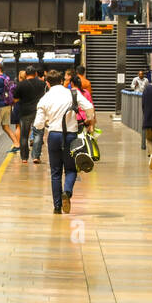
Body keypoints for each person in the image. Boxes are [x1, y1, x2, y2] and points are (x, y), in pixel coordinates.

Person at [34, 70, 94, 214]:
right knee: (71, 169)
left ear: (47, 83)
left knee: (55, 172)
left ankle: (57, 206)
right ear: (62, 81)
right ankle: (67, 191)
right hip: (70, 136)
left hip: (53, 135)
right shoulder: (72, 93)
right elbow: (89, 107)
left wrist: (47, 122)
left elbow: (38, 124)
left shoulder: (45, 98)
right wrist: (88, 119)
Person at [13, 67, 49, 165]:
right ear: (36, 73)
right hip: (39, 112)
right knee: (38, 134)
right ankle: (36, 157)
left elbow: (15, 99)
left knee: (24, 135)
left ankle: (24, 158)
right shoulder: (43, 84)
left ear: (26, 74)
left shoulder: (20, 84)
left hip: (25, 112)